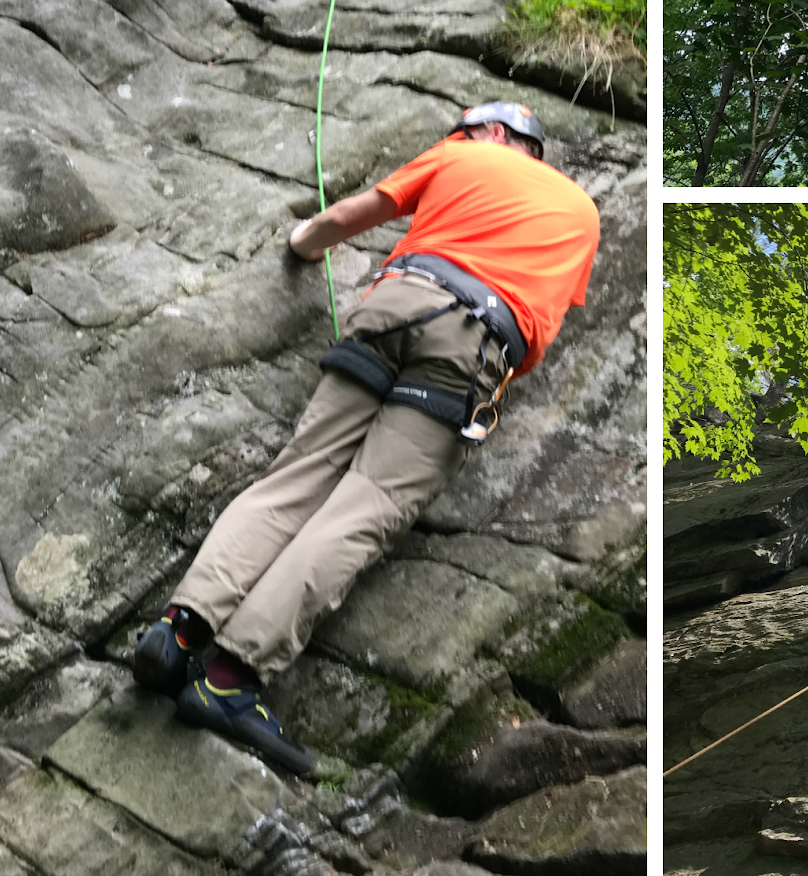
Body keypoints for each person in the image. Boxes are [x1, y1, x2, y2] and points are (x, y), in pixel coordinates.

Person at [131, 102, 601, 774]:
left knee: (297, 474)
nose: (456, 141)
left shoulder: (460, 156)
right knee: (366, 503)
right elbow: (541, 327)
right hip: (471, 340)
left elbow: (343, 220)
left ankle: (178, 631)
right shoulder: (582, 213)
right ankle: (229, 682)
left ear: (496, 134)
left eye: (464, 132)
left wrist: (302, 247)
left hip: (391, 304)